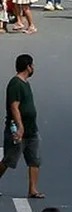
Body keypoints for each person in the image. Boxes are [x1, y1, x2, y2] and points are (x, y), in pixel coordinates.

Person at [0, 54, 41, 198]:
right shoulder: (16, 84)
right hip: (19, 130)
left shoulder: (25, 83)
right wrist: (20, 127)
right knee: (9, 160)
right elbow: (14, 107)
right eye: (32, 65)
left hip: (31, 130)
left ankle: (33, 189)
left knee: (34, 160)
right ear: (28, 67)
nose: (33, 68)